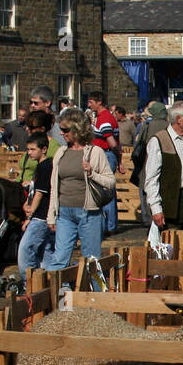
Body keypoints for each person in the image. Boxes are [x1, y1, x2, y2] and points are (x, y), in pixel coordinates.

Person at [45, 108, 115, 269]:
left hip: (89, 213)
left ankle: (94, 294)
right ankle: (58, 293)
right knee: (59, 259)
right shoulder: (61, 153)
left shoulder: (95, 152)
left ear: (76, 129)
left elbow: (110, 182)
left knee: (91, 262)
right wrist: (51, 215)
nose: (61, 133)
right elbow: (54, 186)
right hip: (64, 213)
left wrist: (92, 173)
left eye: (65, 130)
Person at [142, 101, 183, 234]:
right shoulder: (159, 140)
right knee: (173, 244)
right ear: (178, 119)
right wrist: (156, 209)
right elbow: (151, 179)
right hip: (171, 201)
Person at [18, 132, 55, 277]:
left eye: (33, 149)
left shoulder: (45, 167)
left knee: (25, 249)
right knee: (45, 252)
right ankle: (56, 283)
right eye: (28, 149)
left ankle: (28, 282)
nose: (29, 153)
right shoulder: (41, 167)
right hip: (42, 215)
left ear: (44, 149)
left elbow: (40, 193)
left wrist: (30, 212)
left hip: (40, 216)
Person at [87, 90, 121, 234]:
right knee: (107, 190)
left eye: (91, 102)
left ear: (98, 102)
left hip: (106, 155)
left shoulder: (105, 118)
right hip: (108, 154)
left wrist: (117, 157)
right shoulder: (104, 117)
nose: (89, 105)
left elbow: (112, 142)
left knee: (105, 191)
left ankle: (109, 226)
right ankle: (109, 224)